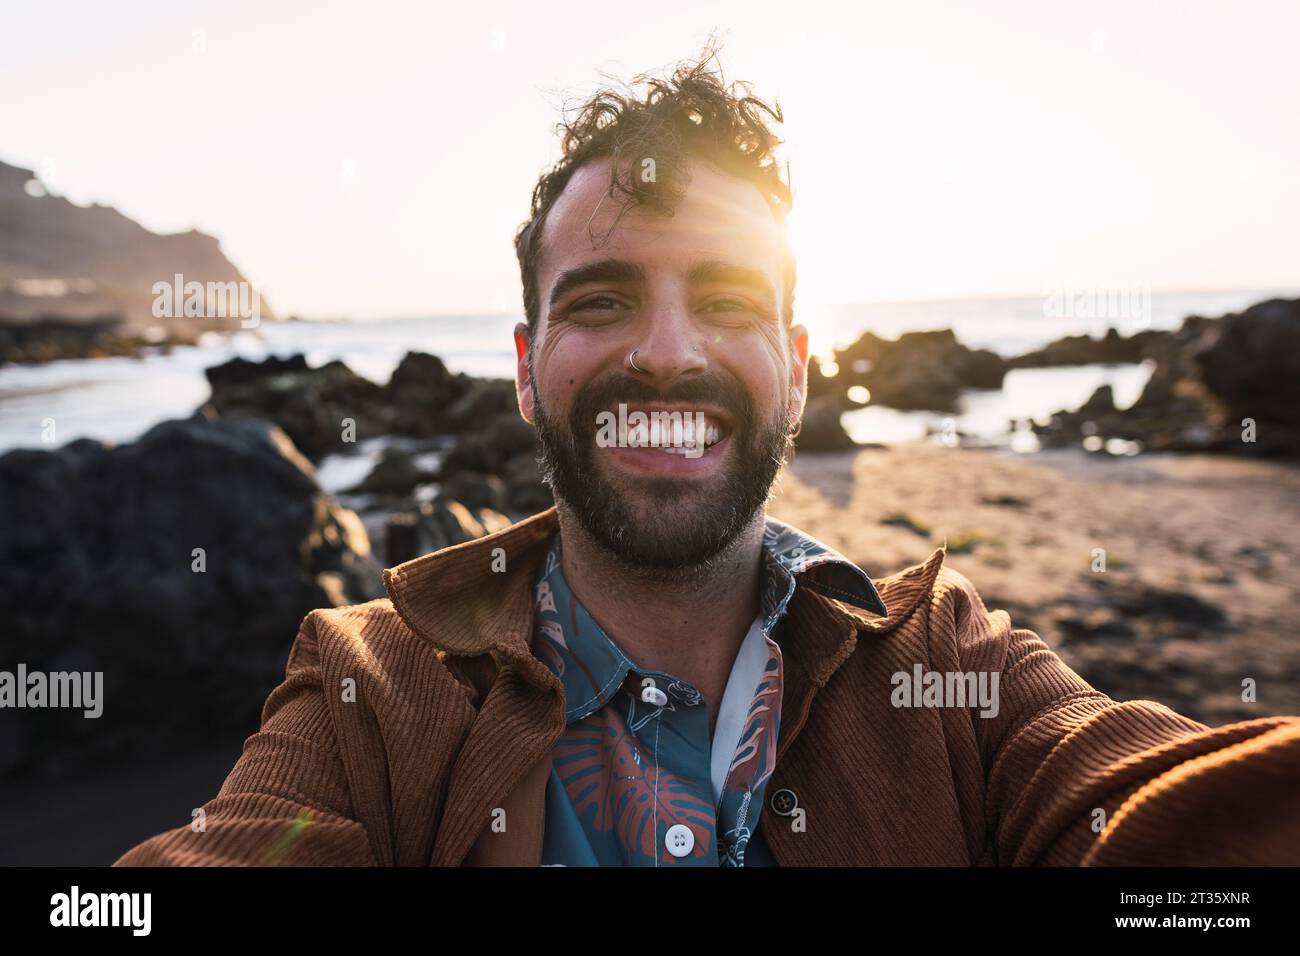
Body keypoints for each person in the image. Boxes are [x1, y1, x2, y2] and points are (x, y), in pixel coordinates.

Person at [116, 46, 1300, 867]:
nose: (669, 354)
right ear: (526, 367)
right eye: (602, 299)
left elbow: (1153, 808)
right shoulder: (376, 689)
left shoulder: (948, 667)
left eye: (727, 300)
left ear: (797, 367)